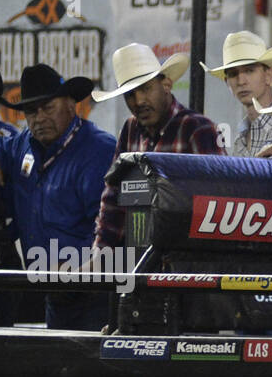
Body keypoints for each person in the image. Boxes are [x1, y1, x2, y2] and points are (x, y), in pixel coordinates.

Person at [0, 64, 117, 330]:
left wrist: (76, 270)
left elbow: (110, 229)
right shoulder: (24, 143)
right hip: (54, 294)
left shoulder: (98, 151)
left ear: (71, 104)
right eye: (31, 111)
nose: (39, 118)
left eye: (48, 107)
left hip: (96, 295)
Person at [91, 43, 223, 253]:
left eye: (146, 89)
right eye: (130, 94)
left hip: (184, 259)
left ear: (167, 85)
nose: (139, 101)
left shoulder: (197, 129)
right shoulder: (130, 128)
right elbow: (113, 196)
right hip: (138, 255)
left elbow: (218, 202)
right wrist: (100, 252)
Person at [201, 30, 272, 157]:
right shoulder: (240, 137)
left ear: (269, 75)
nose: (241, 81)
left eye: (249, 71)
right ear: (227, 82)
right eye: (233, 74)